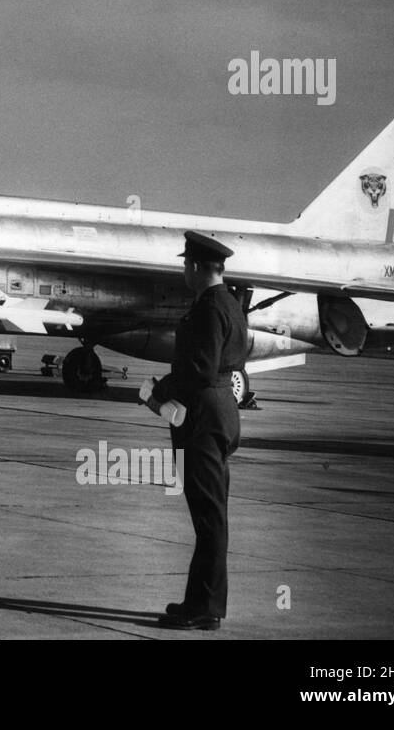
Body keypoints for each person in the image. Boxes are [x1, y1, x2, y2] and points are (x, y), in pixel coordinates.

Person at [148, 230, 248, 631]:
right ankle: (200, 602)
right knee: (210, 516)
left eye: (184, 264)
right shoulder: (230, 304)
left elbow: (200, 369)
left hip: (204, 417)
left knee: (208, 518)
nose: (183, 270)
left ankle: (204, 608)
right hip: (221, 410)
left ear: (194, 266)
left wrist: (161, 391)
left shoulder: (209, 308)